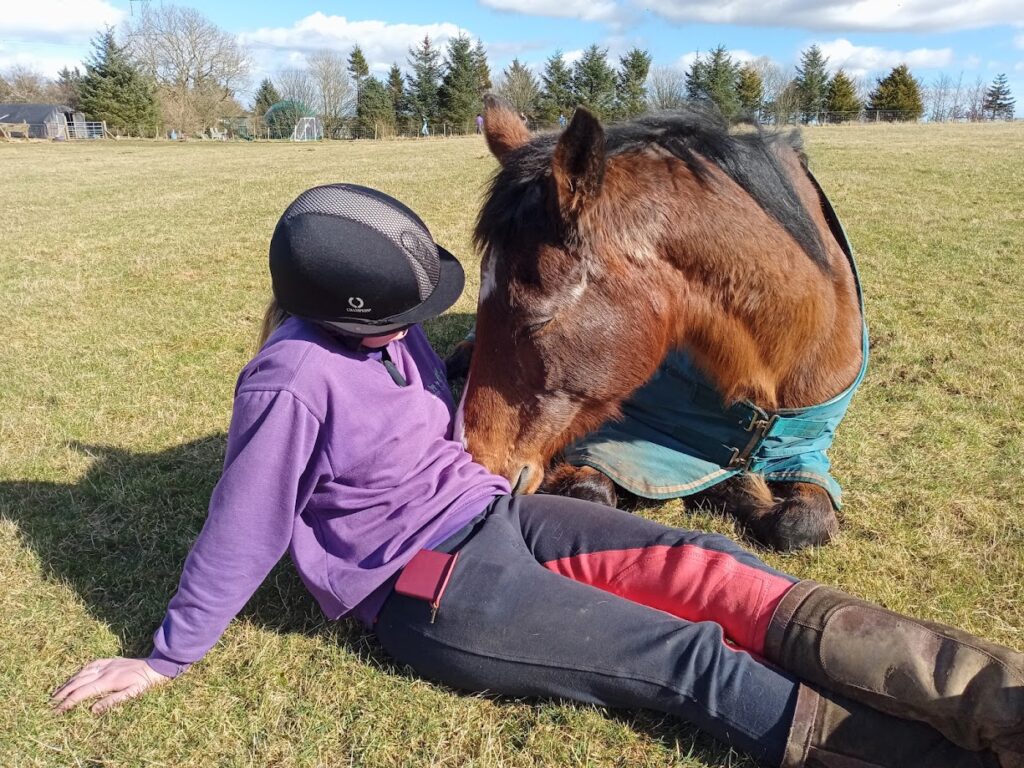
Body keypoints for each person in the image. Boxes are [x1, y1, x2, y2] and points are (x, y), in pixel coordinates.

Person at [51, 184, 1022, 768]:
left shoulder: (385, 344)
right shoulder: (291, 378)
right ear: (345, 316)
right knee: (684, 656)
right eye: (399, 317)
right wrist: (167, 655)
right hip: (425, 589)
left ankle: (999, 703)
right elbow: (243, 522)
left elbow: (446, 405)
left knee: (710, 566)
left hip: (493, 515)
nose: (413, 332)